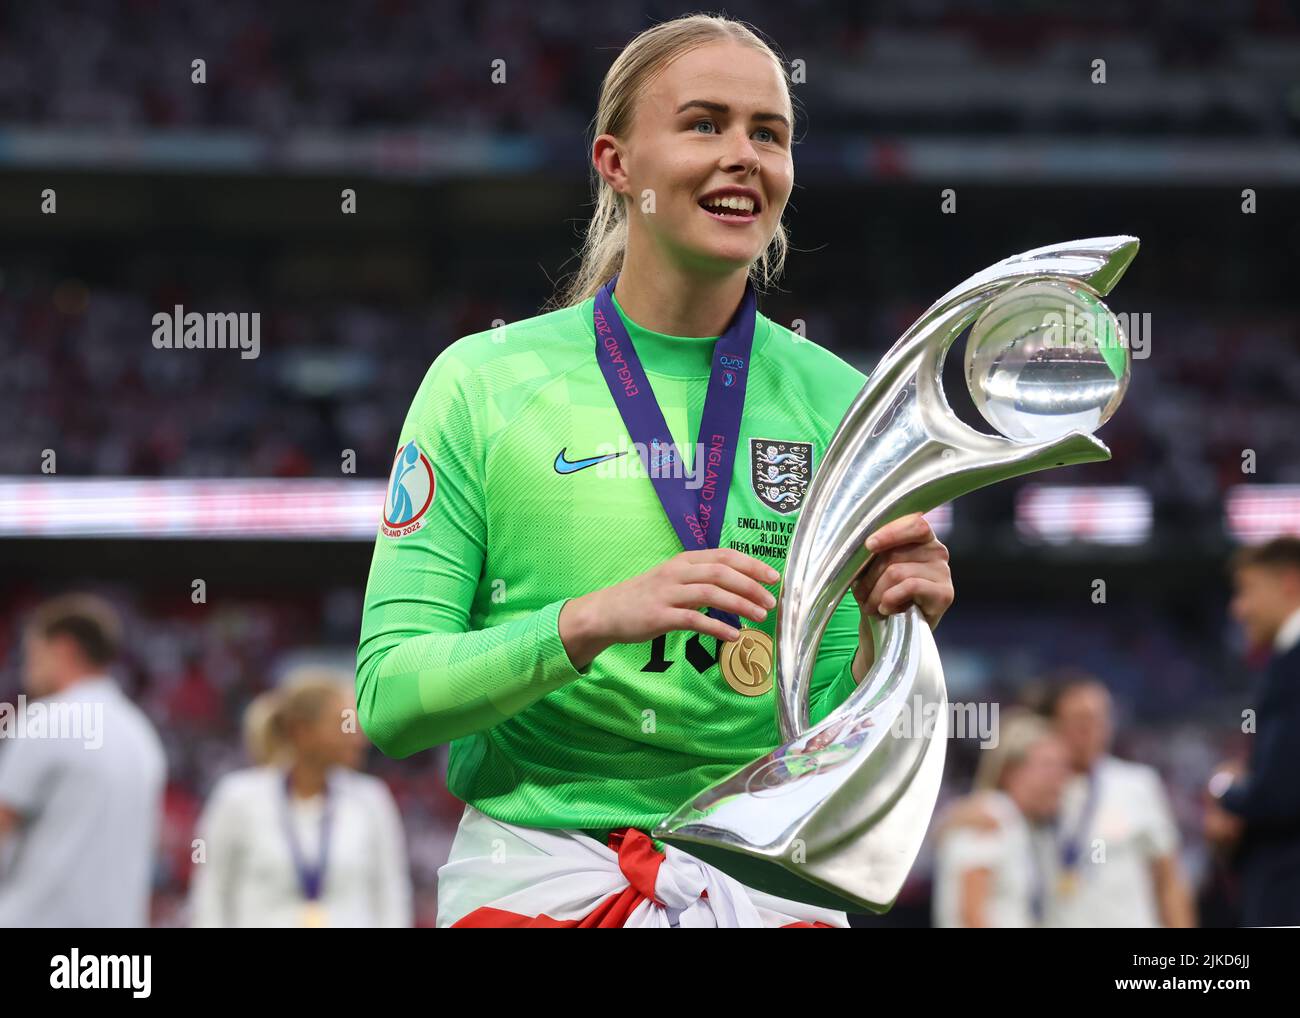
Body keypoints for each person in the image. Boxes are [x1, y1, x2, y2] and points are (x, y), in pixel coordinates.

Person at [355, 13, 955, 928]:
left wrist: (889, 641)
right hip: (538, 892)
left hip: (767, 896)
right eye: (704, 124)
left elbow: (825, 732)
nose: (744, 156)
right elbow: (390, 698)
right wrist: (591, 622)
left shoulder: (846, 407)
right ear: (616, 163)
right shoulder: (483, 382)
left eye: (770, 133)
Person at [189, 669, 412, 927]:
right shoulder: (237, 799)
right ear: (302, 731)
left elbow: (392, 897)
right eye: (342, 723)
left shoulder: (372, 800)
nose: (358, 737)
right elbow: (210, 894)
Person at [0, 594, 165, 927]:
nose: (27, 667)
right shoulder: (142, 735)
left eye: (32, 653)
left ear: (62, 647)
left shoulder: (46, 718)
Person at [1038, 673, 1194, 927]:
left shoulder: (1137, 784)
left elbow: (1169, 880)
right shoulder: (1039, 788)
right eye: (1079, 720)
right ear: (1054, 724)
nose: (1090, 730)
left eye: (1099, 718)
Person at [1205, 537, 1300, 926]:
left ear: (1290, 583)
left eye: (1247, 590)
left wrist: (1224, 789)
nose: (1238, 609)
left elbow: (1280, 797)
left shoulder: (1293, 666)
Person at [931, 711, 1069, 928]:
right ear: (1010, 770)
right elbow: (971, 913)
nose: (1059, 779)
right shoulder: (990, 815)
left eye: (1062, 768)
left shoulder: (1025, 826)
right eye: (1047, 766)